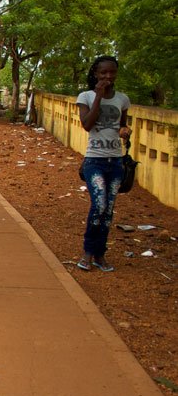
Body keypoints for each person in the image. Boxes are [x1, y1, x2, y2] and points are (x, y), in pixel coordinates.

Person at [76, 55, 132, 273]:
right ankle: (87, 252)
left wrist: (125, 132)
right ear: (96, 74)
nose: (108, 76)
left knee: (108, 210)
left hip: (116, 161)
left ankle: (100, 254)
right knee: (98, 205)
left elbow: (122, 125)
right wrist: (99, 96)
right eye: (103, 73)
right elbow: (87, 125)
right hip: (94, 160)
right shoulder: (86, 96)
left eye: (112, 72)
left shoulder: (123, 99)